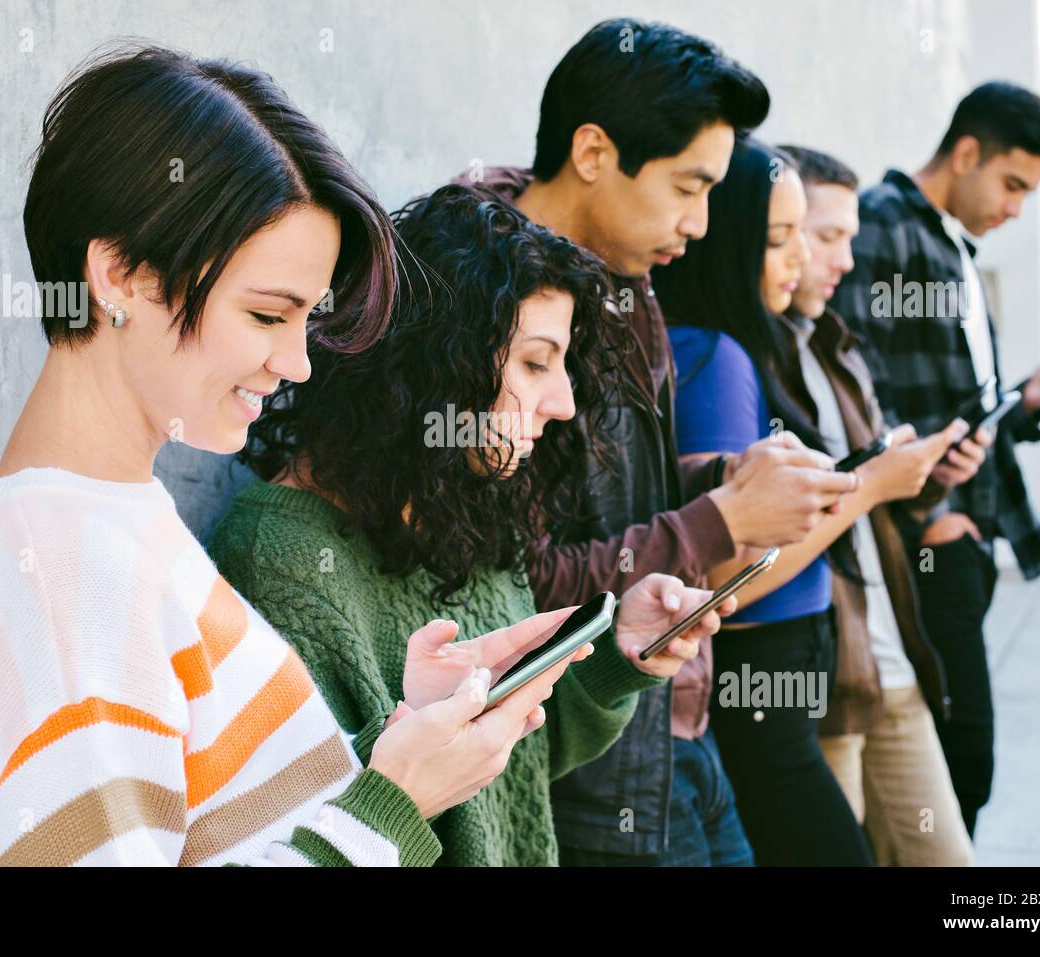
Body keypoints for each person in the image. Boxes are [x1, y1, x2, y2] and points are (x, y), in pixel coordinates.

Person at [0, 47, 580, 867]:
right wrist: (396, 803)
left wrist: (395, 739)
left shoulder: (111, 513)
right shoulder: (68, 562)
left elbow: (210, 826)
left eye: (305, 320)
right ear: (120, 274)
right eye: (266, 315)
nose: (297, 363)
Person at [211, 184, 735, 865]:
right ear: (434, 359)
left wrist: (612, 658)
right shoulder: (277, 560)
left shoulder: (465, 510)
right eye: (535, 362)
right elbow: (324, 831)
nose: (566, 403)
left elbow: (502, 773)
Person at [464, 17, 857, 867]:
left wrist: (731, 477)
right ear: (596, 152)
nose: (706, 222)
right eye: (688, 186)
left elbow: (622, 490)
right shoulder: (477, 298)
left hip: (677, 731)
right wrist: (720, 518)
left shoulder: (627, 282)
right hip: (582, 774)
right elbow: (517, 586)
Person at [653, 139, 969, 865]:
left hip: (791, 666)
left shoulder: (753, 347)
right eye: (781, 238)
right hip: (759, 667)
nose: (803, 259)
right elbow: (727, 564)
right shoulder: (716, 356)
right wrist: (870, 486)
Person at [830, 82, 1040, 835]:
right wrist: (932, 507)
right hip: (923, 542)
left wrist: (1030, 396)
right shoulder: (884, 226)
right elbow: (859, 398)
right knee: (963, 764)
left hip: (959, 540)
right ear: (967, 152)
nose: (1016, 207)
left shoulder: (946, 240)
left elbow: (957, 413)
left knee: (956, 763)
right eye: (1013, 184)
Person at [775, 144, 982, 865]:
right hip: (827, 677)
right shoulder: (751, 355)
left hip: (892, 654)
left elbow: (873, 497)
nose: (845, 260)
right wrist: (878, 479)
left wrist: (926, 472)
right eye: (828, 236)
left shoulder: (836, 342)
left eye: (847, 238)